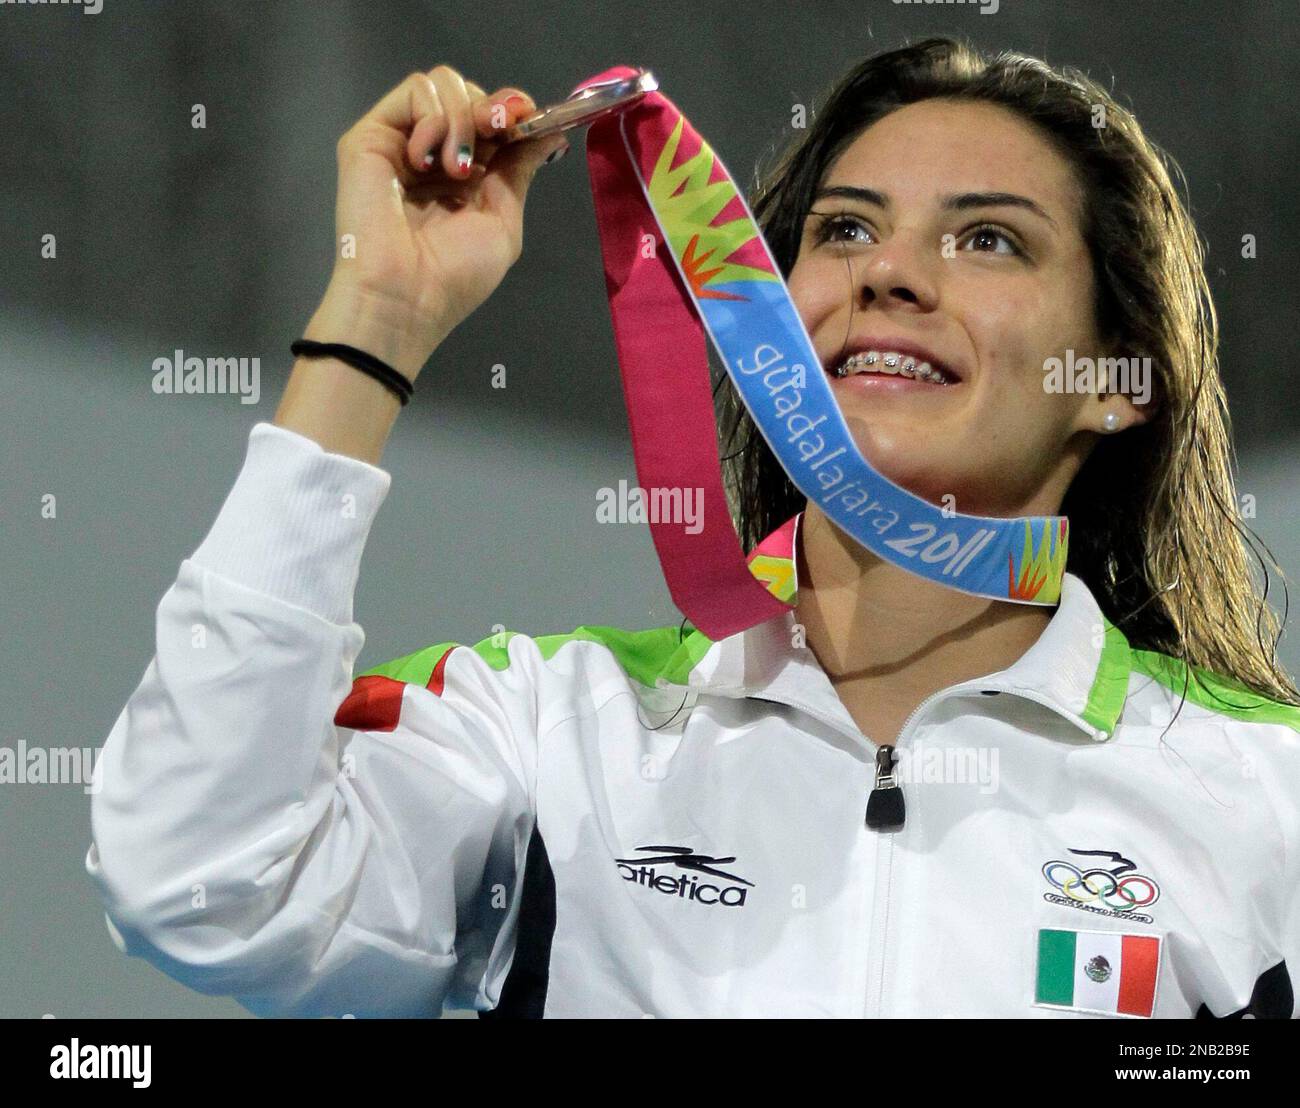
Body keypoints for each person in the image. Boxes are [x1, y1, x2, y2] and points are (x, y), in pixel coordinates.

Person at [86, 39, 1300, 1018]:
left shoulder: (1262, 792)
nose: (891, 274)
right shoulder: (553, 732)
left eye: (986, 239)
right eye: (844, 229)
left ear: (1116, 377)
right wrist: (376, 320)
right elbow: (201, 883)